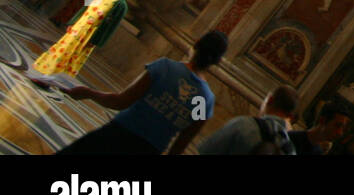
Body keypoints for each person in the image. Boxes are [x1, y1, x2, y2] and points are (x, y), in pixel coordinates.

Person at [56, 30, 227, 154]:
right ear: (218, 61)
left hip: (116, 136)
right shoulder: (206, 100)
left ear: (196, 43)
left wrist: (87, 93)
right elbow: (180, 145)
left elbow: (121, 102)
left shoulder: (165, 68)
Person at [32, 0, 135, 76]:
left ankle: (58, 77)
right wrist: (73, 21)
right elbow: (86, 7)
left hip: (90, 34)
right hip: (79, 26)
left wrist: (96, 41)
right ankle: (46, 68)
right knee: (64, 47)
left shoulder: (121, 6)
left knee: (73, 55)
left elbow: (110, 27)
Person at [198, 85, 298, 154]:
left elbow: (207, 150)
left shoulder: (243, 125)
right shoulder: (290, 150)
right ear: (290, 116)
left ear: (270, 100)